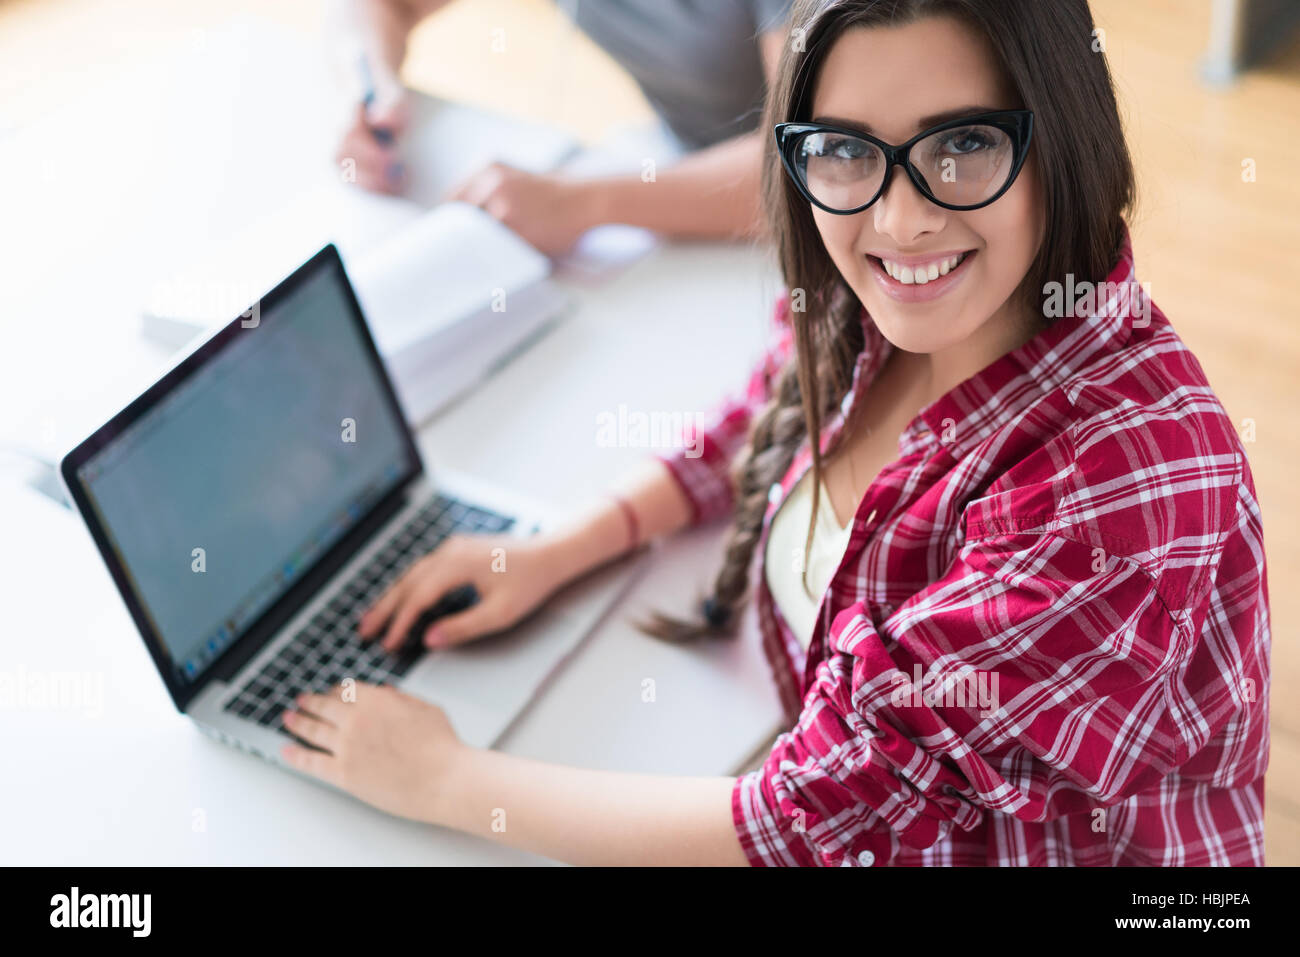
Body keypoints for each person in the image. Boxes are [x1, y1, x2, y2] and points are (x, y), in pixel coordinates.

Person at [284, 0, 1270, 866]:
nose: (897, 219)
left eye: (960, 145)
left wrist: (448, 783)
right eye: (843, 148)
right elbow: (761, 419)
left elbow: (804, 824)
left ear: (1061, 132)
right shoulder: (870, 299)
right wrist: (556, 552)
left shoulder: (1122, 481)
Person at [336, 0, 792, 254]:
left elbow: (804, 167)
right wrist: (371, 85)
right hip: (685, 172)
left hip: (802, 234)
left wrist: (579, 203)